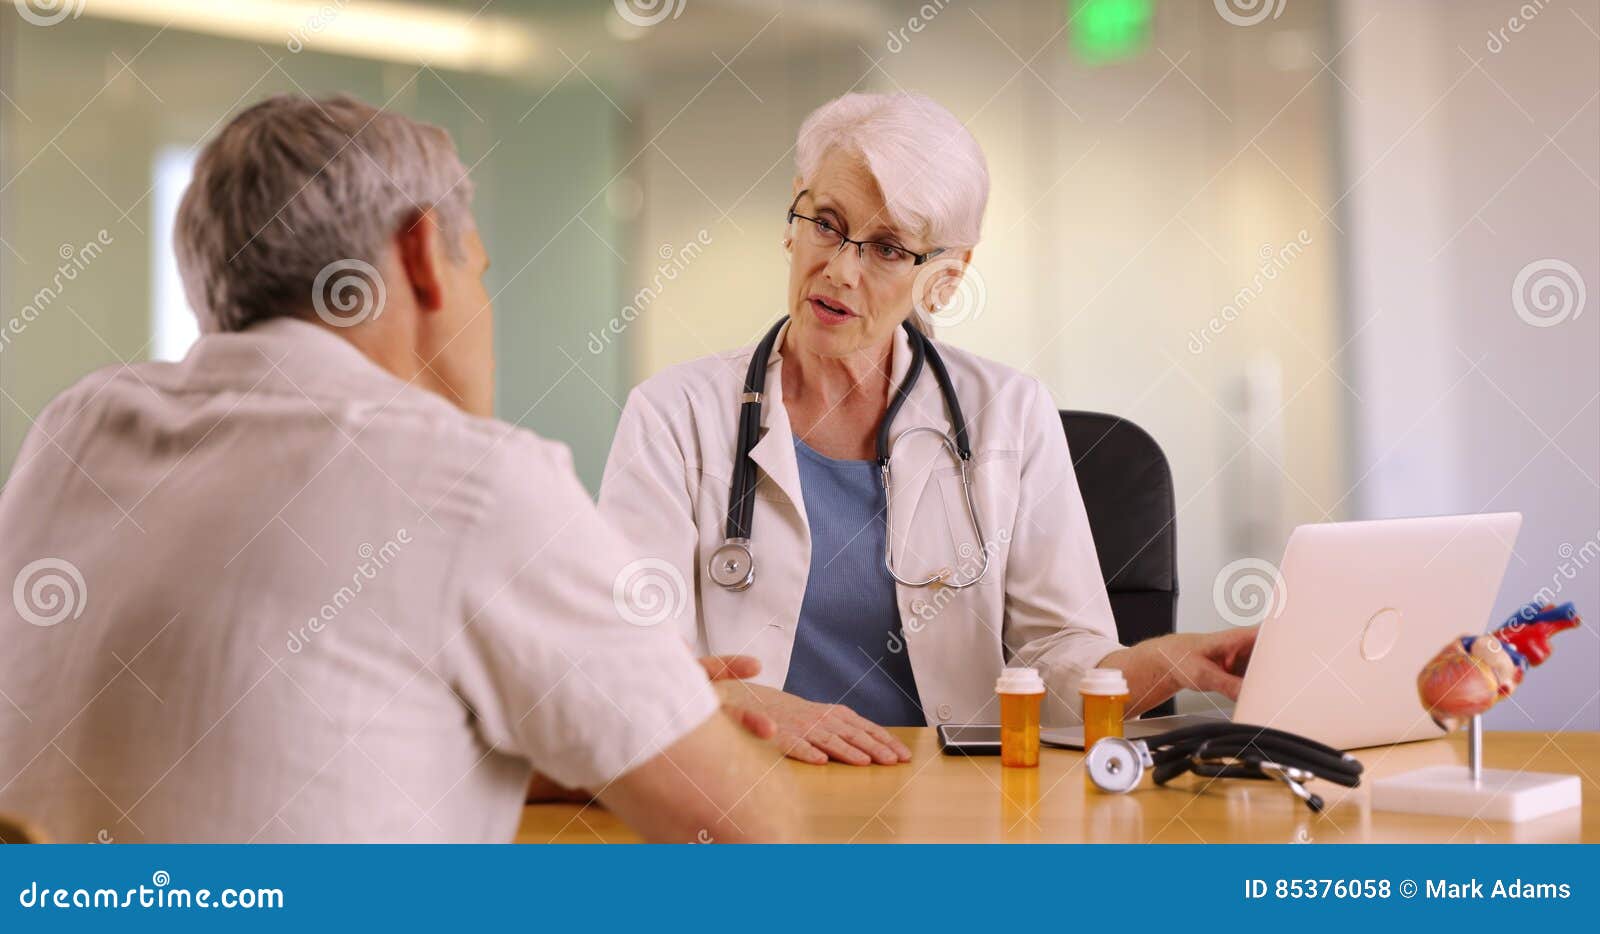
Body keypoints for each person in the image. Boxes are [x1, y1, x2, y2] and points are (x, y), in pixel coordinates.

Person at [0, 95, 791, 843]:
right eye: (477, 272)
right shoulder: (471, 478)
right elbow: (751, 832)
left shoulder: (79, 428)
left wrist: (585, 717)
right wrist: (659, 706)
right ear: (419, 254)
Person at [600, 92, 1256, 766]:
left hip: (950, 803)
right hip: (746, 795)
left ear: (946, 277)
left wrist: (1172, 662)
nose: (840, 269)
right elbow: (624, 657)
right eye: (826, 223)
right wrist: (737, 701)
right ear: (793, 214)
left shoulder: (1008, 413)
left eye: (887, 248)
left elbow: (1058, 667)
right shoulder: (675, 416)